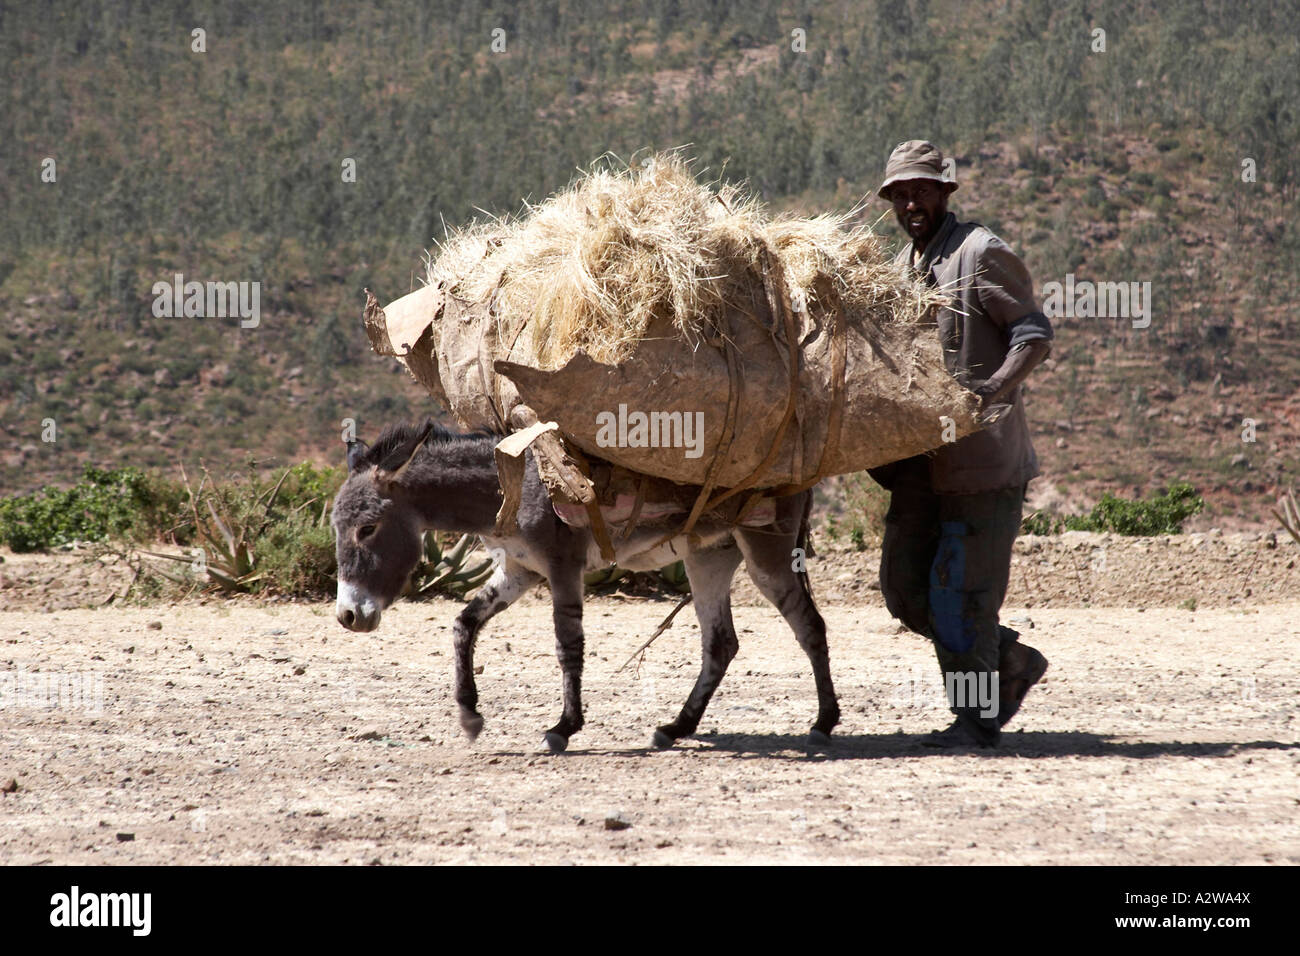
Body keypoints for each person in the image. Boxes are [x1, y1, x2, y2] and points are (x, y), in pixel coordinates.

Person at [870, 140, 1053, 747]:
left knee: (963, 599)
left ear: (945, 191)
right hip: (921, 468)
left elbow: (1033, 335)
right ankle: (1012, 661)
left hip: (982, 467)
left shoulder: (980, 254)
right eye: (900, 193)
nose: (910, 202)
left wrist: (990, 394)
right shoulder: (900, 269)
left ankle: (975, 721)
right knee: (903, 590)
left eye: (921, 189)